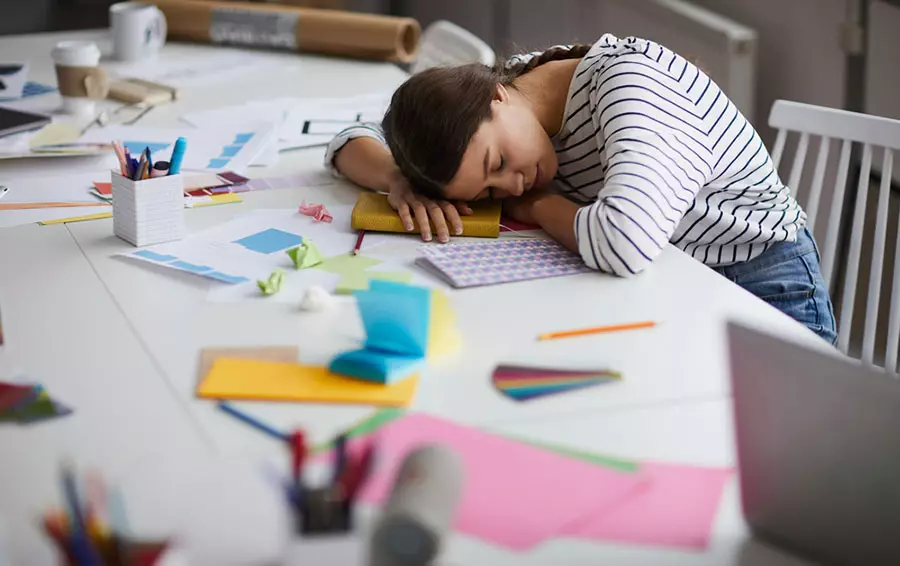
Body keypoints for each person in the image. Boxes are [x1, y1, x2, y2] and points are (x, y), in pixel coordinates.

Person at [325, 34, 837, 344]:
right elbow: (348, 139)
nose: (509, 183)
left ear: (498, 95)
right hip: (674, 281)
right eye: (486, 192)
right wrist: (399, 179)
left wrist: (537, 205)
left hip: (760, 287)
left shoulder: (629, 88)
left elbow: (625, 242)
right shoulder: (518, 91)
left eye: (498, 162)